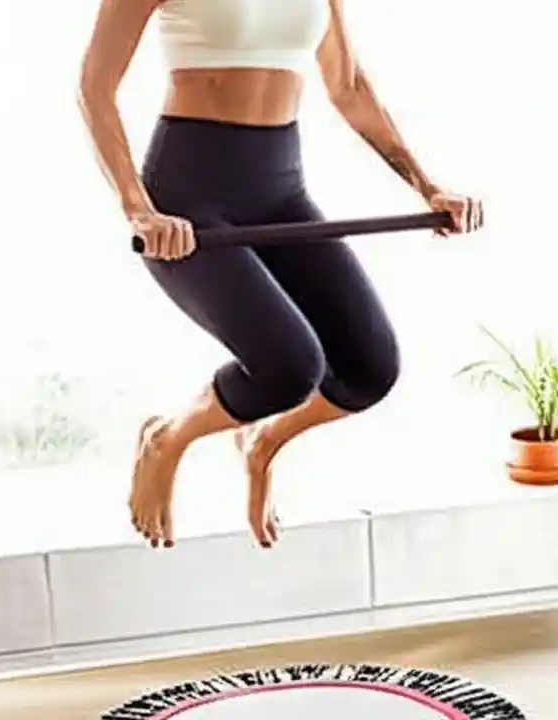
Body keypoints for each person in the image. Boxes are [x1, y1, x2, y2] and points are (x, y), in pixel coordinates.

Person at [78, 0, 484, 550]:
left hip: (281, 188)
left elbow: (348, 86)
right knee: (289, 366)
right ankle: (167, 439)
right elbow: (95, 86)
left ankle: (261, 444)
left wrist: (428, 186)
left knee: (369, 368)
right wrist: (138, 206)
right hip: (189, 197)